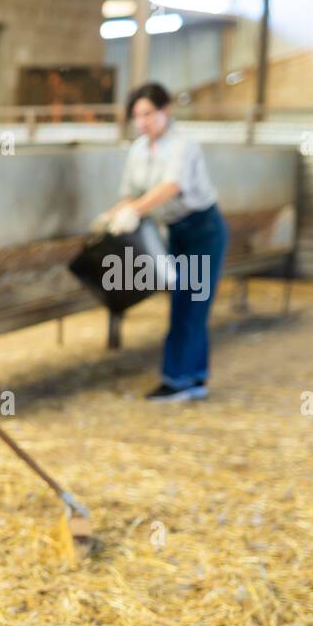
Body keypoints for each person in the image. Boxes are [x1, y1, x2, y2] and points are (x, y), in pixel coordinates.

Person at [95, 81, 229, 402]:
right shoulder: (139, 149)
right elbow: (131, 192)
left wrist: (135, 211)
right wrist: (112, 215)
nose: (143, 122)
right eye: (137, 116)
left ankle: (177, 380)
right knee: (187, 302)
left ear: (165, 111)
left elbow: (171, 186)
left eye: (149, 114)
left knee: (190, 303)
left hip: (202, 230)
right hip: (174, 231)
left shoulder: (183, 145)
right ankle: (195, 378)